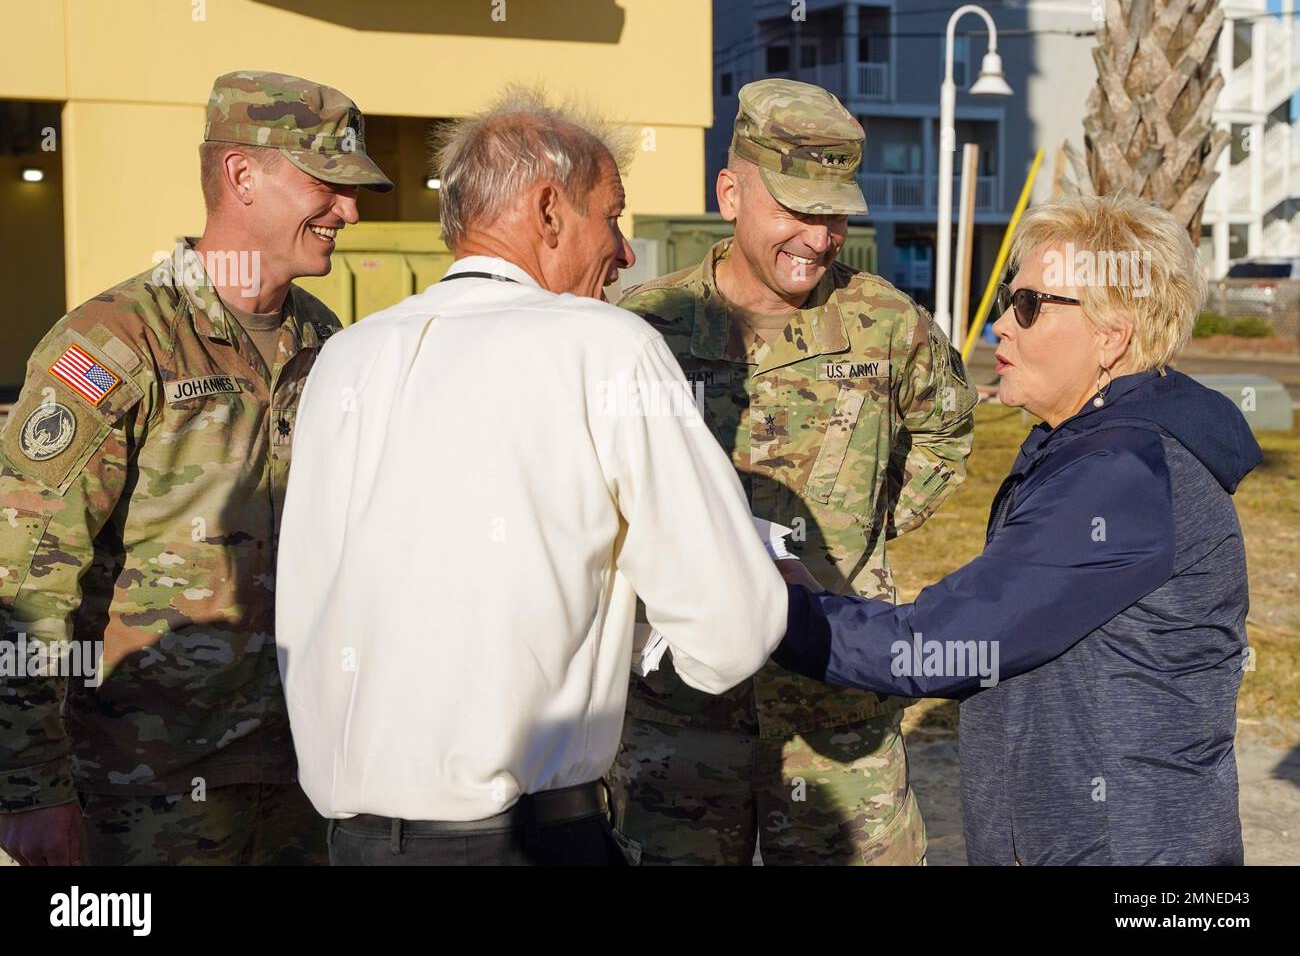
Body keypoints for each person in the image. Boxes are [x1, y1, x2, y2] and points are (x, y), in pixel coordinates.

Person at [274, 87, 789, 867]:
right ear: (549, 211)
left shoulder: (348, 355)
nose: (623, 252)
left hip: (354, 843)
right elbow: (731, 629)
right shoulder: (605, 347)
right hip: (525, 838)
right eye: (612, 216)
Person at [775, 193, 1262, 866]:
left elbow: (948, 643)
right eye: (1009, 299)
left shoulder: (1121, 474)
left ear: (1110, 336)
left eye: (1029, 304)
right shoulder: (1095, 450)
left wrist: (783, 614)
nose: (1002, 323)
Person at [0, 70, 392, 866]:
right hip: (141, 791)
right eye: (329, 185)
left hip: (302, 780)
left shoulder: (329, 343)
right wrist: (31, 787)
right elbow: (25, 576)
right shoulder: (116, 342)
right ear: (243, 176)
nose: (349, 211)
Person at [609, 79, 977, 865]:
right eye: (798, 210)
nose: (820, 236)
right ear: (731, 192)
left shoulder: (887, 325)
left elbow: (945, 437)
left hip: (837, 709)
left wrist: (853, 538)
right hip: (680, 710)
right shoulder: (644, 330)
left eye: (836, 213)